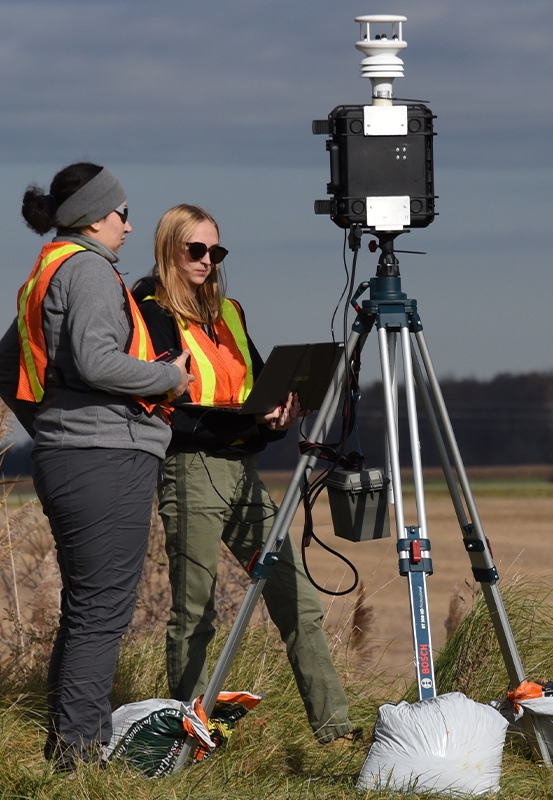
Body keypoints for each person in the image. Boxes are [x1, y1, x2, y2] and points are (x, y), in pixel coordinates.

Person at [0, 163, 191, 770]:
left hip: (67, 459)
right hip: (106, 462)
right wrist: (169, 379)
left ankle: (69, 748)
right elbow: (99, 362)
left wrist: (52, 428)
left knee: (86, 609)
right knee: (102, 612)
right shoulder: (93, 272)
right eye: (124, 214)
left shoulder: (48, 270)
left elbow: (5, 367)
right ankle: (79, 758)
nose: (130, 225)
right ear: (99, 216)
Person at [130, 203, 356, 744]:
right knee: (195, 611)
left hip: (244, 469)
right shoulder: (148, 312)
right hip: (191, 471)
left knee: (297, 599)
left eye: (216, 251)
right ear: (169, 250)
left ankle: (335, 729)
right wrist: (245, 426)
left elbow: (257, 394)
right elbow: (165, 408)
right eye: (197, 250)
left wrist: (276, 418)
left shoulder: (229, 312)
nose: (209, 260)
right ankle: (186, 738)